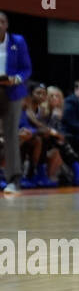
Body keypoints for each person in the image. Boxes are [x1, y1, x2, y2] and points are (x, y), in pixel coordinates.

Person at [0, 11, 33, 194]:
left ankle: (14, 179)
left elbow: (26, 69)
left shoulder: (17, 41)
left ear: (7, 25)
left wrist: (15, 79)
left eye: (2, 21)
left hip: (12, 92)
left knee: (11, 135)